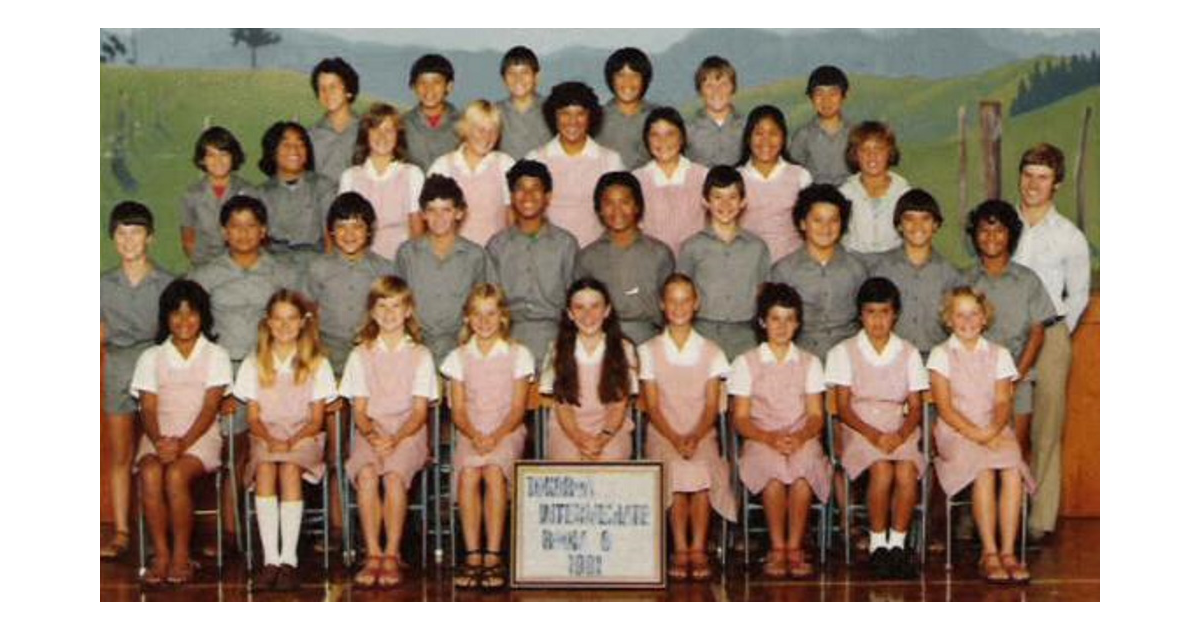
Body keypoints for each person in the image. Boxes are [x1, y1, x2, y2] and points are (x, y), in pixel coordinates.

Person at [188, 194, 301, 547]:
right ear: (224, 232)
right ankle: (232, 532)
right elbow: (193, 329)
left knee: (271, 448)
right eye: (235, 226)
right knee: (232, 451)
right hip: (226, 373)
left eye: (251, 225)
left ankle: (277, 536)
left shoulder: (284, 272)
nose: (243, 233)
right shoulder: (205, 276)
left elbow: (300, 321)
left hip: (273, 372)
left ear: (264, 230)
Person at [1011, 143, 1091, 542]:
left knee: (1046, 429)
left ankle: (1039, 520)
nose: (1033, 184)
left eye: (1042, 177)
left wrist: (1057, 331)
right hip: (1006, 335)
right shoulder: (1003, 223)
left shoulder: (1069, 237)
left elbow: (1077, 294)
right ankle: (984, 516)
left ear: (1056, 184)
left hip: (1052, 333)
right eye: (1028, 174)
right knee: (999, 423)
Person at [928, 286, 1035, 584]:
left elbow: (1003, 402)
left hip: (994, 427)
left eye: (974, 313)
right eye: (959, 315)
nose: (967, 320)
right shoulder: (940, 355)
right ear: (949, 320)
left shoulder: (999, 354)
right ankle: (988, 553)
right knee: (984, 469)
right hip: (957, 431)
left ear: (984, 318)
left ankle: (1008, 552)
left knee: (1012, 469)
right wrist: (977, 434)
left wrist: (992, 430)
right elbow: (946, 409)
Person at [129, 279, 232, 584]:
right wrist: (160, 441)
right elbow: (147, 408)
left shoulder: (216, 355)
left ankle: (181, 555)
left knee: (175, 474)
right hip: (159, 435)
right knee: (150, 473)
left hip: (200, 437)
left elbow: (211, 407)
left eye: (191, 313)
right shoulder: (151, 357)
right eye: (176, 313)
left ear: (203, 316)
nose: (184, 321)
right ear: (165, 318)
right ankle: (160, 554)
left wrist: (183, 444)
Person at [825, 277, 928, 579]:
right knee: (882, 469)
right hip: (859, 427)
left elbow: (917, 407)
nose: (878, 320)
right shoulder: (844, 351)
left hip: (899, 426)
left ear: (895, 314)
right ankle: (877, 544)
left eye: (884, 312)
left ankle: (897, 545)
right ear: (860, 315)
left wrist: (899, 434)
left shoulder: (908, 353)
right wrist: (874, 435)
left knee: (906, 470)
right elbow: (842, 407)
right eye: (870, 312)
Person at [233, 290, 336, 592]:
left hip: (304, 437)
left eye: (291, 319)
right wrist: (271, 439)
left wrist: (290, 441)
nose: (284, 326)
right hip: (265, 435)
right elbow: (252, 418)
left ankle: (289, 560)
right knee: (266, 469)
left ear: (303, 323)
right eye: (277, 319)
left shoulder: (317, 362)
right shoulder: (255, 362)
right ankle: (270, 560)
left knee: (289, 469)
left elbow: (317, 420)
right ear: (268, 322)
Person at [340, 276, 439, 588]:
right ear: (372, 311)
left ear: (408, 311)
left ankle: (392, 554)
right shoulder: (361, 354)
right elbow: (358, 411)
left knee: (394, 477)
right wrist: (373, 437)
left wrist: (394, 440)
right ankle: (373, 553)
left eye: (396, 306)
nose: (389, 313)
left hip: (407, 434)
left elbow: (420, 412)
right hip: (372, 432)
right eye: (381, 306)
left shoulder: (420, 355)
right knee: (367, 475)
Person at [729, 282, 831, 579]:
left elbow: (815, 415)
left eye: (789, 319)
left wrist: (799, 437)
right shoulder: (746, 362)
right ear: (762, 321)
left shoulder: (810, 362)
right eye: (775, 318)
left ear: (797, 323)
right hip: (761, 437)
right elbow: (742, 419)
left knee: (802, 473)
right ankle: (777, 547)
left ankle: (795, 547)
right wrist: (769, 438)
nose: (782, 326)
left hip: (802, 436)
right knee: (772, 476)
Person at [637, 274, 736, 581]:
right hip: (663, 432)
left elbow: (710, 405)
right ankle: (680, 548)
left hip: (701, 431)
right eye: (672, 300)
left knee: (703, 468)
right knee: (676, 470)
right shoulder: (648, 350)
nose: (679, 307)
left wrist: (694, 435)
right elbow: (652, 406)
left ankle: (699, 547)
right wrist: (675, 437)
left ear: (696, 304)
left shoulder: (712, 351)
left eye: (685, 300)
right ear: (662, 305)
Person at [440, 284, 535, 589]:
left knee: (494, 471)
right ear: (467, 318)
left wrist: (495, 435)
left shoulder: (518, 354)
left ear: (503, 316)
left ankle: (493, 555)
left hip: (506, 429)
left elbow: (519, 407)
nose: (484, 321)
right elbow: (457, 411)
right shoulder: (458, 357)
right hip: (471, 430)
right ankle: (472, 554)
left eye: (491, 313)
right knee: (468, 473)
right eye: (477, 314)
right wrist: (475, 434)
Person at [101, 202, 176, 560]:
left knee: (160, 450)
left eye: (136, 232)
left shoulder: (168, 283)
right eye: (122, 233)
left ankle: (163, 531)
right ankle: (121, 531)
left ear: (150, 238)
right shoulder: (101, 284)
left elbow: (174, 333)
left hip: (155, 366)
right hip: (117, 364)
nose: (129, 240)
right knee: (120, 453)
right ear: (113, 239)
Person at [963, 200, 1055, 464]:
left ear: (1011, 235)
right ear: (974, 235)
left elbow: (1038, 332)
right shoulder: (965, 281)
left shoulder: (1027, 281)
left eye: (999, 230)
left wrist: (1016, 377)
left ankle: (1015, 506)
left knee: (1016, 449)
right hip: (974, 382)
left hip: (1019, 378)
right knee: (980, 451)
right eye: (984, 230)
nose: (991, 237)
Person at [486, 159, 578, 369]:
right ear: (511, 197)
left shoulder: (565, 244)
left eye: (535, 188)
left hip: (555, 337)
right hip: (508, 337)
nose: (527, 196)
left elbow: (574, 301)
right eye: (520, 189)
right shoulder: (497, 245)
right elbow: (491, 302)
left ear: (547, 197)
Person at [394, 174, 495, 365]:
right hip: (415, 348)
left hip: (462, 349)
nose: (438, 218)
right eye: (432, 210)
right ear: (423, 214)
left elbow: (488, 305)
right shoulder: (407, 254)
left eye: (446, 210)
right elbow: (396, 302)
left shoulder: (475, 256)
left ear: (459, 213)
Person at [539, 278, 639, 461]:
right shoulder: (557, 349)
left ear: (607, 310)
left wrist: (602, 439)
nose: (588, 315)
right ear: (570, 313)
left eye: (595, 306)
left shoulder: (624, 349)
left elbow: (618, 405)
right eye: (579, 307)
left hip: (611, 429)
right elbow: (563, 405)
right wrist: (578, 438)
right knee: (569, 461)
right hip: (567, 429)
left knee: (610, 459)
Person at [677, 166, 771, 361]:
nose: (725, 204)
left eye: (732, 197)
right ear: (705, 201)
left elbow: (764, 293)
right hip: (704, 331)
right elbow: (682, 293)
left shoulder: (758, 247)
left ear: (743, 201)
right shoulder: (691, 247)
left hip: (745, 334)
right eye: (717, 197)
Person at [769, 184, 869, 360]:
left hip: (848, 361)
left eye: (834, 220)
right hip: (800, 360)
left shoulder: (857, 269)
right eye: (817, 220)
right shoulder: (783, 271)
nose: (826, 228)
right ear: (802, 223)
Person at [574, 171, 674, 345]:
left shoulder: (660, 253)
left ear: (637, 206)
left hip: (650, 340)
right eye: (609, 203)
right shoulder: (588, 257)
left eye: (625, 202)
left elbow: (671, 307)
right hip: (601, 340)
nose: (617, 211)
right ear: (599, 209)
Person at [526, 81, 624, 247]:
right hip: (549, 254)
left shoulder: (611, 160)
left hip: (596, 255)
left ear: (590, 116)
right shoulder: (536, 158)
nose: (573, 121)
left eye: (580, 114)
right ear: (554, 116)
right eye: (565, 113)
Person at [872, 189, 963, 357]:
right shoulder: (882, 270)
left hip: (937, 361)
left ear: (936, 225)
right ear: (899, 224)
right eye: (909, 219)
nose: (917, 226)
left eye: (925, 219)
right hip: (892, 358)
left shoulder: (950, 275)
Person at [338, 102, 425, 261]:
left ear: (398, 135)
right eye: (375, 129)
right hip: (361, 266)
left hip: (399, 266)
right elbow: (342, 229)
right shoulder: (350, 177)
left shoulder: (412, 174)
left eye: (388, 130)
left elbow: (417, 231)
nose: (382, 136)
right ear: (366, 134)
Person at [429, 100, 517, 246]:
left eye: (493, 130)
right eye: (480, 130)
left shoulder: (505, 164)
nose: (487, 137)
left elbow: (512, 217)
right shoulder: (442, 166)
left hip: (494, 256)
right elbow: (431, 220)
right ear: (466, 129)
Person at [738, 105, 813, 262]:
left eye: (773, 133)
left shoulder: (800, 176)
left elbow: (811, 227)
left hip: (793, 266)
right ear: (748, 137)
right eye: (759, 133)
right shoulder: (737, 177)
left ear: (784, 137)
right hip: (746, 265)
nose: (766, 140)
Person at [633, 107, 708, 257]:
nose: (663, 141)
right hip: (652, 262)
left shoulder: (703, 176)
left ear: (682, 137)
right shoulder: (637, 179)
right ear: (646, 139)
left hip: (696, 261)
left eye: (670, 134)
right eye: (655, 135)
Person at [256, 122, 337, 260]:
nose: (294, 150)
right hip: (275, 264)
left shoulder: (323, 186)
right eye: (286, 144)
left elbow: (331, 236)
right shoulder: (261, 193)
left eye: (300, 144)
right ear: (273, 151)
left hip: (315, 262)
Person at [180, 126, 257, 265]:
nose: (218, 161)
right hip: (204, 265)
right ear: (202, 160)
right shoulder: (192, 194)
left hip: (241, 265)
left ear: (233, 157)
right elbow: (188, 236)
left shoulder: (249, 191)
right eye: (211, 155)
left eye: (224, 154)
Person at [839, 121, 911, 261]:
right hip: (854, 261)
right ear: (855, 154)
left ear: (889, 152)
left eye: (879, 149)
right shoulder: (845, 193)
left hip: (894, 261)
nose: (872, 156)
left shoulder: (903, 191)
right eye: (864, 150)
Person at [788, 65, 853, 186]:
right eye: (819, 94)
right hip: (814, 198)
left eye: (833, 93)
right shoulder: (803, 135)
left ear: (845, 96)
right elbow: (793, 173)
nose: (826, 100)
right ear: (811, 97)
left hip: (849, 199)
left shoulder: (855, 133)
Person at [595, 47, 658, 169]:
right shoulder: (596, 118)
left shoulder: (658, 117)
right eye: (620, 75)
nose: (627, 82)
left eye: (635, 75)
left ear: (645, 79)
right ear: (611, 79)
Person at [685, 55, 745, 168]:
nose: (716, 91)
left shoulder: (748, 127)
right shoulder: (687, 130)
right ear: (700, 90)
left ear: (733, 87)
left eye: (723, 84)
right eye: (709, 86)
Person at [404, 54, 461, 170]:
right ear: (414, 87)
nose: (429, 89)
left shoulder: (464, 123)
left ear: (449, 86)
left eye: (436, 82)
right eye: (422, 82)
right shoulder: (403, 124)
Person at [495, 46, 552, 160]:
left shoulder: (551, 109)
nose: (518, 79)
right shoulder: (494, 112)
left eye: (524, 72)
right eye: (511, 73)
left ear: (536, 76)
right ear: (503, 78)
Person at [309, 57, 361, 183]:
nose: (327, 93)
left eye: (333, 87)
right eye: (322, 89)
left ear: (348, 91)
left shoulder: (367, 130)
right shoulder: (311, 135)